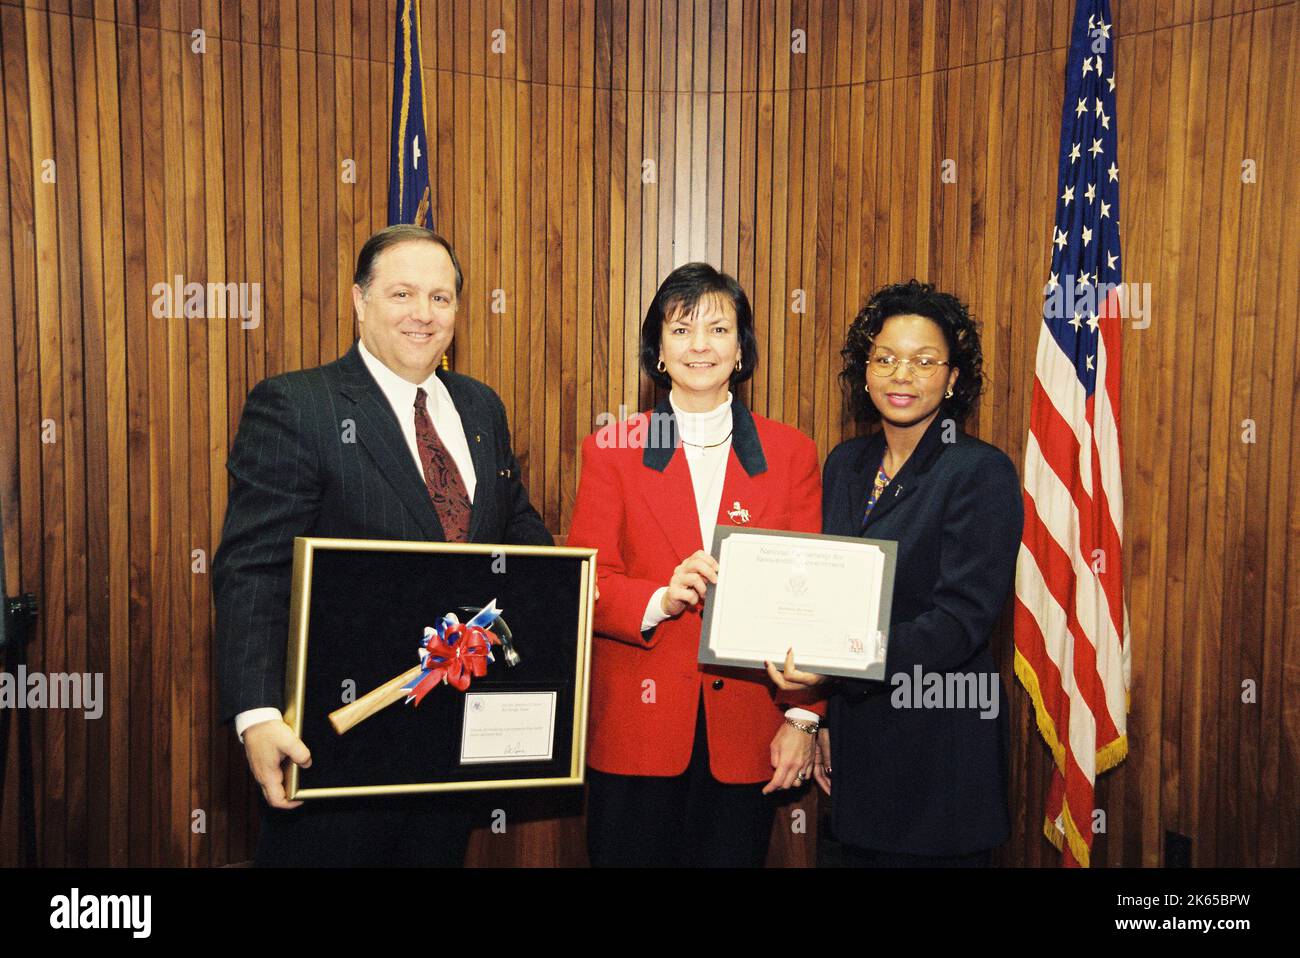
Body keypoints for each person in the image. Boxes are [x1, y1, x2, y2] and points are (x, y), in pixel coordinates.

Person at [212, 224, 552, 866]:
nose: (423, 314)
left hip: (452, 741)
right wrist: (257, 717)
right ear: (359, 301)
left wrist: (566, 608)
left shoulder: (482, 409)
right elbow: (254, 572)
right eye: (402, 294)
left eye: (441, 298)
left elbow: (518, 535)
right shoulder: (296, 405)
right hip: (334, 743)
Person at [567, 263, 824, 867]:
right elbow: (590, 587)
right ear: (658, 350)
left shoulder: (791, 453)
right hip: (635, 731)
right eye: (681, 330)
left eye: (718, 329)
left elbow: (814, 602)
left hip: (745, 731)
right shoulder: (612, 451)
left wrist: (804, 717)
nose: (700, 346)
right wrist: (660, 599)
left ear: (742, 349)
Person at [769, 279, 1022, 866]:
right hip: (858, 752)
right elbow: (826, 593)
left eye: (924, 360)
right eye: (884, 358)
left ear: (953, 378)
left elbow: (960, 623)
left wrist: (838, 659)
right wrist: (821, 713)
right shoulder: (845, 464)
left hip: (939, 757)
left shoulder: (979, 472)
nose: (901, 374)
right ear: (864, 371)